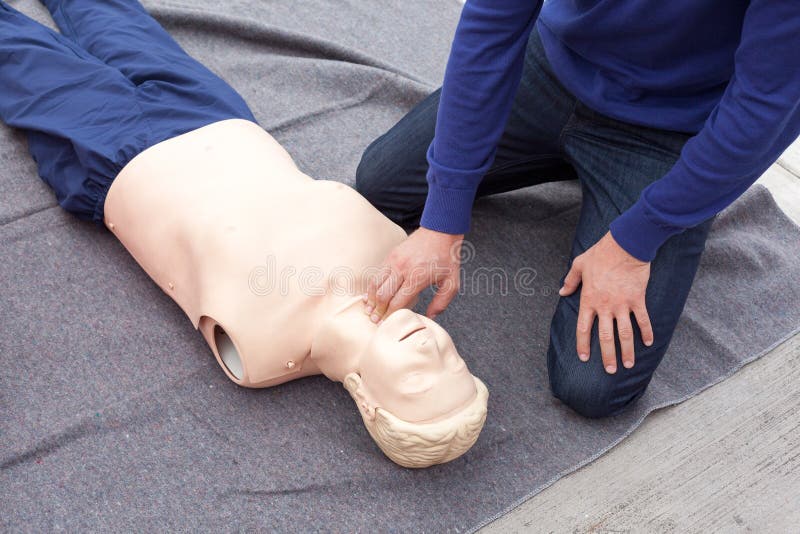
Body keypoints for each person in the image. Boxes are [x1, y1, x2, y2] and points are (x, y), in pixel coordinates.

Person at [0, 0, 488, 468]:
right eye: (455, 363)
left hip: (117, 156)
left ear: (369, 404)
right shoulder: (401, 262)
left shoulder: (261, 353)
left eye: (421, 380)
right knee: (111, 16)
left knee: (17, 52)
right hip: (217, 118)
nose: (432, 350)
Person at [355, 0, 800, 418]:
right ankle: (565, 160)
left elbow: (765, 108)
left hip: (670, 130)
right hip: (556, 63)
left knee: (591, 385)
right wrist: (443, 216)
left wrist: (638, 236)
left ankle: (637, 189)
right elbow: (492, 20)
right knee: (380, 183)